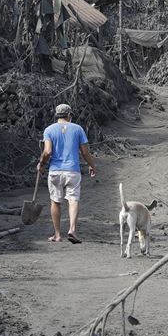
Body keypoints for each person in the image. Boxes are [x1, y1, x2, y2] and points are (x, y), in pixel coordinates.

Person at [37, 103, 96, 244]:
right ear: (69, 115)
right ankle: (72, 230)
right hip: (72, 171)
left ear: (56, 115)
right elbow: (85, 152)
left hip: (55, 171)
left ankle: (57, 235)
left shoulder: (49, 130)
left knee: (56, 201)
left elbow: (47, 152)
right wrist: (91, 165)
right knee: (73, 200)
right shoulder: (78, 129)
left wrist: (42, 164)